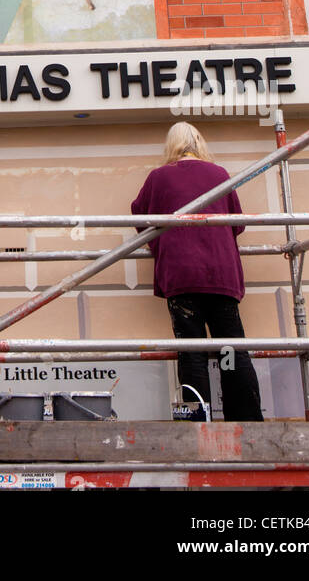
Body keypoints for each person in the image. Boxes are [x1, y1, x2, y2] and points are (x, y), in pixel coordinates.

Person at [131, 120, 263, 422]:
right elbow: (237, 224)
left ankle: (198, 426)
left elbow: (141, 219)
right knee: (230, 349)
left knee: (192, 351)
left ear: (171, 145)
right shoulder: (219, 175)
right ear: (200, 142)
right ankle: (246, 422)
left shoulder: (159, 178)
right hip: (221, 276)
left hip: (182, 278)